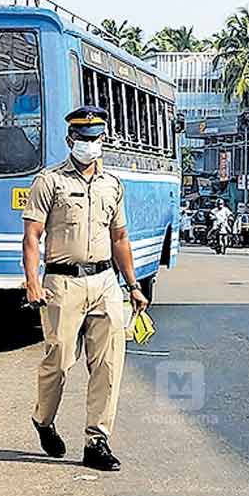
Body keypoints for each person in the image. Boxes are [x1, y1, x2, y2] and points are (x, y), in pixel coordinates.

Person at [22, 106, 149, 472]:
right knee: (59, 361)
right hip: (62, 283)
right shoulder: (49, 181)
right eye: (82, 138)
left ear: (102, 140)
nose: (89, 144)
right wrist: (32, 282)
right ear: (70, 140)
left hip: (106, 282)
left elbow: (120, 238)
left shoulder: (113, 185)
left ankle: (97, 441)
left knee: (108, 364)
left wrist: (133, 286)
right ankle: (43, 420)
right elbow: (32, 237)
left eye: (94, 138)